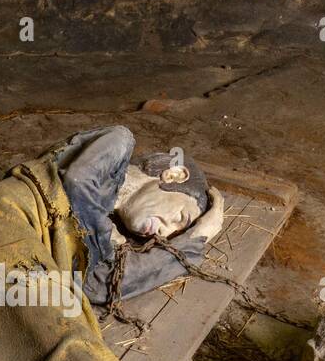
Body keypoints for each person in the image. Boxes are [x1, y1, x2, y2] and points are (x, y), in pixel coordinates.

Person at [56, 125, 225, 306]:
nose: (162, 233)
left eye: (171, 236)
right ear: (174, 175)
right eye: (180, 218)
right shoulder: (119, 140)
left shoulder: (105, 228)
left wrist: (194, 240)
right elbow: (77, 180)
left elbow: (97, 287)